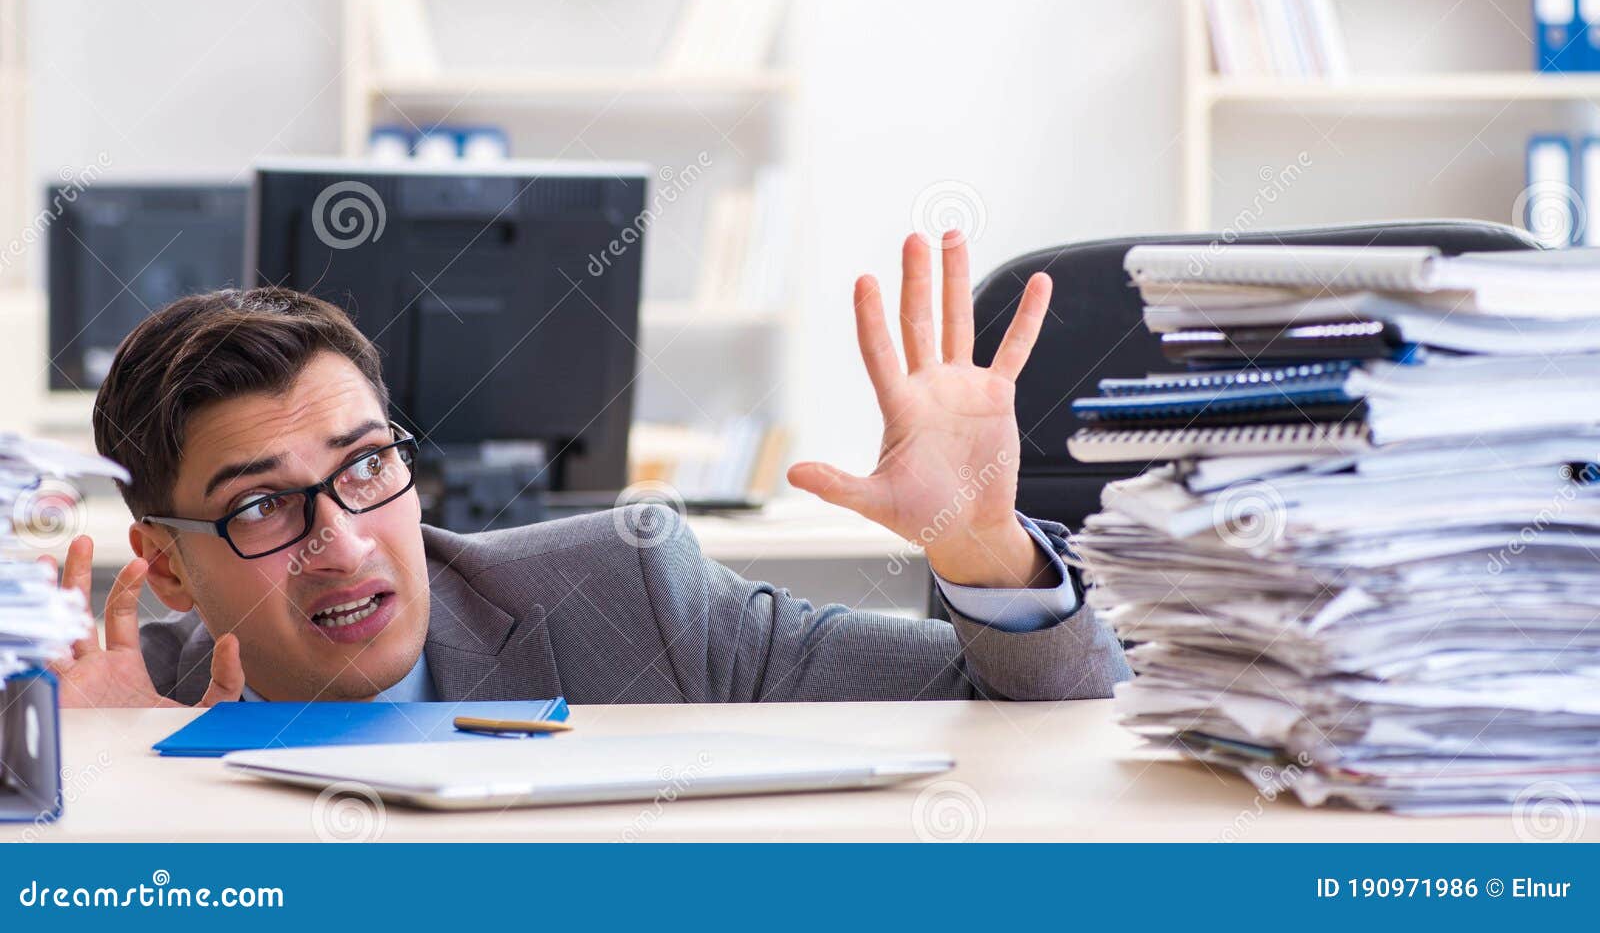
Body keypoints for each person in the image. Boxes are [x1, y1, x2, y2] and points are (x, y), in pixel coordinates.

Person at [51, 230, 1129, 706]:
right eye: (260, 506)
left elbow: (1059, 711)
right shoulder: (125, 713)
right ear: (170, 567)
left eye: (366, 465)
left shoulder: (630, 600)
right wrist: (98, 799)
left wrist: (982, 547)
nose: (340, 539)